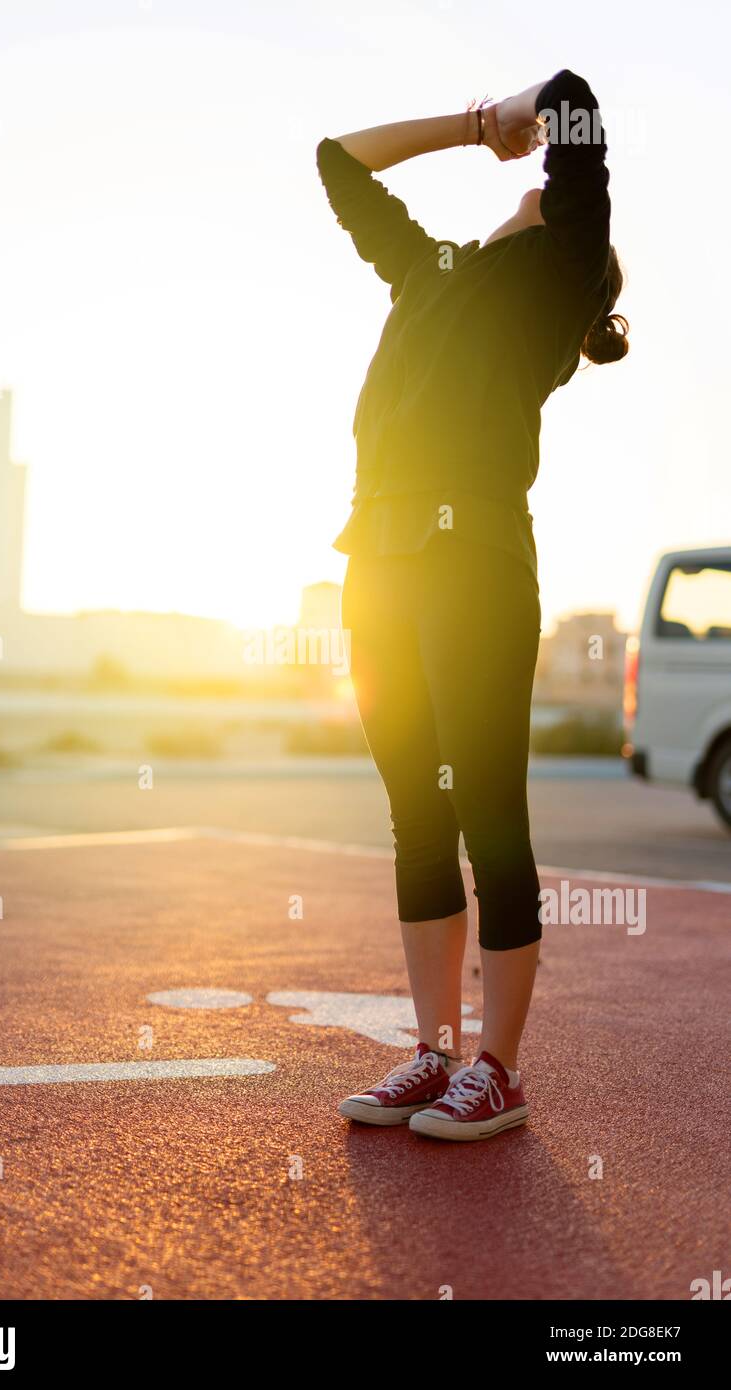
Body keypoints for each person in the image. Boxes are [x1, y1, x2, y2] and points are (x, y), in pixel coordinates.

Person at [316, 70, 628, 1141]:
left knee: (489, 813)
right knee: (417, 817)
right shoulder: (430, 273)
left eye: (545, 188)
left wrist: (525, 113)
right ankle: (433, 1050)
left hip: (477, 563)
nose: (529, 189)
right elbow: (336, 161)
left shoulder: (556, 279)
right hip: (380, 560)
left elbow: (577, 103)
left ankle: (498, 1068)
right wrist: (462, 129)